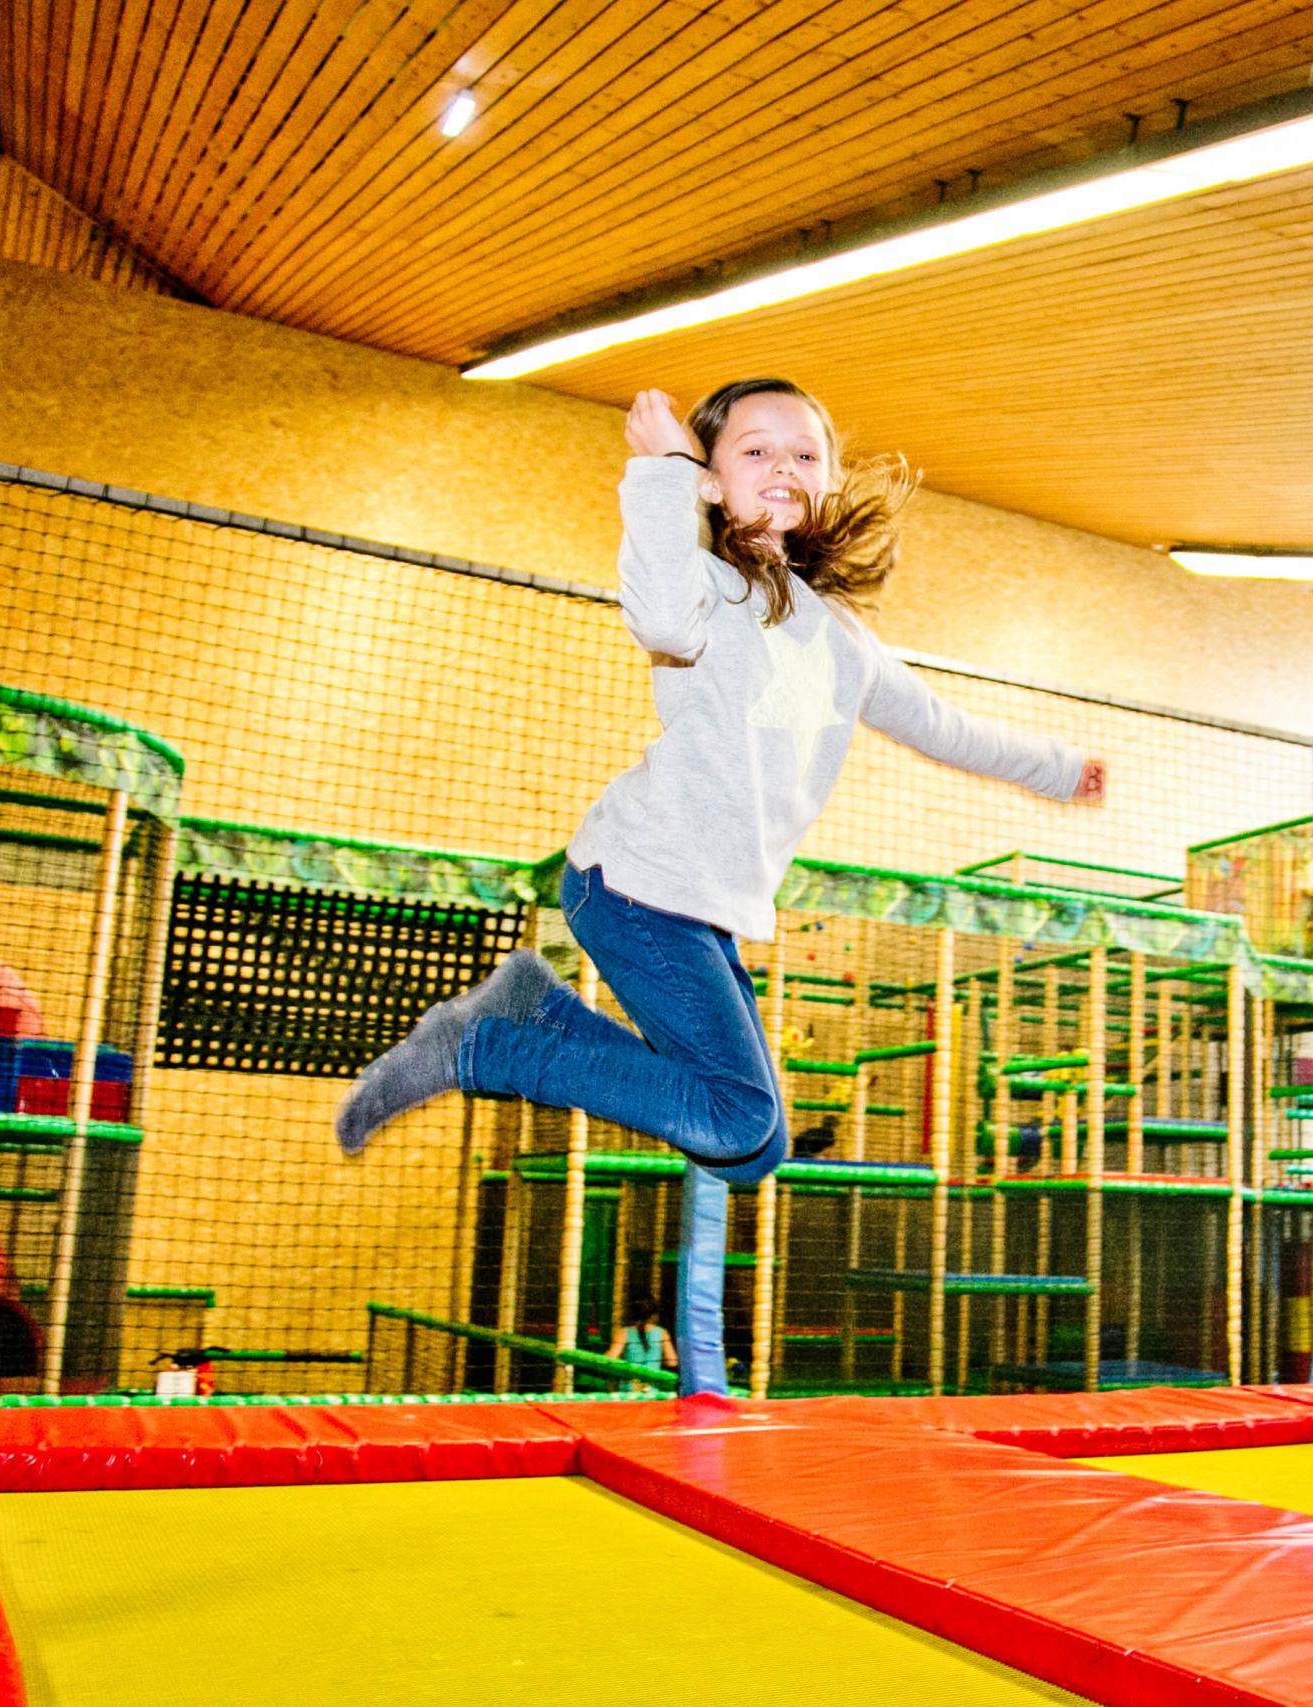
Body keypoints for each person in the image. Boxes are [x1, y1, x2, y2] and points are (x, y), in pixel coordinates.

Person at [336, 380, 1106, 1181]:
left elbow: (944, 728)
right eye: (755, 449)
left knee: (752, 1148)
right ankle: (478, 1047)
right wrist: (665, 466)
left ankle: (533, 1008)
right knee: (736, 1114)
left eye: (806, 453)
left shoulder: (841, 635)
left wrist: (1058, 770)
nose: (783, 464)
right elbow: (663, 617)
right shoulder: (706, 584)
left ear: (830, 481)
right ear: (711, 480)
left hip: (700, 908)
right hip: (639, 883)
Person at [604, 1299, 679, 1391]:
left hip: (629, 1390)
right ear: (654, 1315)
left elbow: (610, 1359)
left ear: (631, 1314)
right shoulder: (662, 1333)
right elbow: (672, 1362)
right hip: (652, 1389)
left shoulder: (623, 1333)